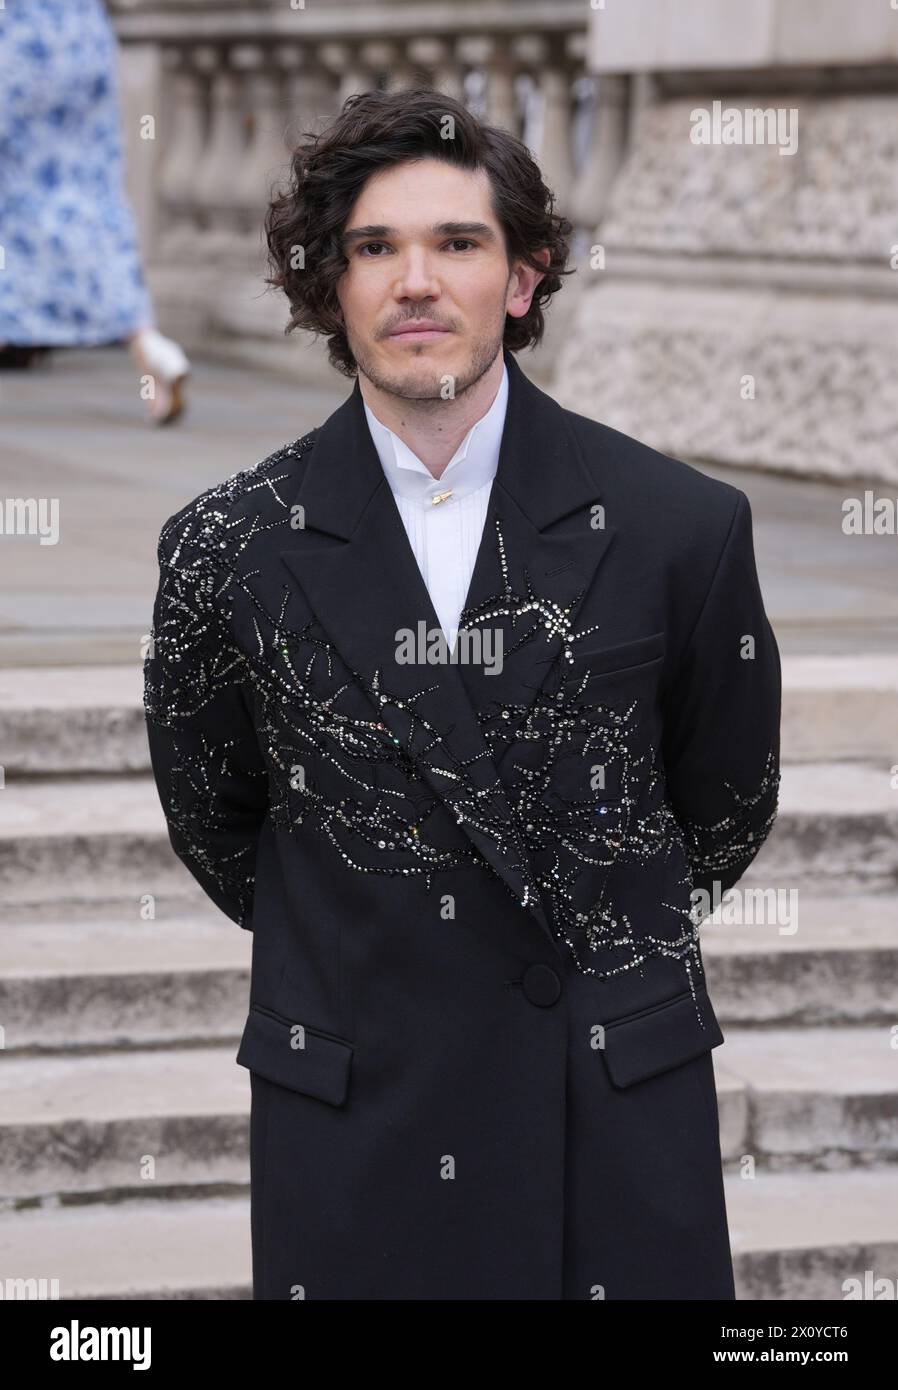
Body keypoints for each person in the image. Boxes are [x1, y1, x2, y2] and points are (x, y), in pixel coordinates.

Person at [144, 87, 781, 1300]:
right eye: (374, 247)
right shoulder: (228, 543)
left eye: (457, 243)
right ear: (330, 285)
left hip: (603, 1102)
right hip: (356, 1108)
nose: (414, 280)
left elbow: (724, 805)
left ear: (525, 278)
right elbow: (221, 824)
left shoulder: (679, 526)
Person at [0, 0, 189, 422]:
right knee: (93, 193)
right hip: (81, 38)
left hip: (17, 39)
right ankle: (149, 346)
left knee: (17, 201)